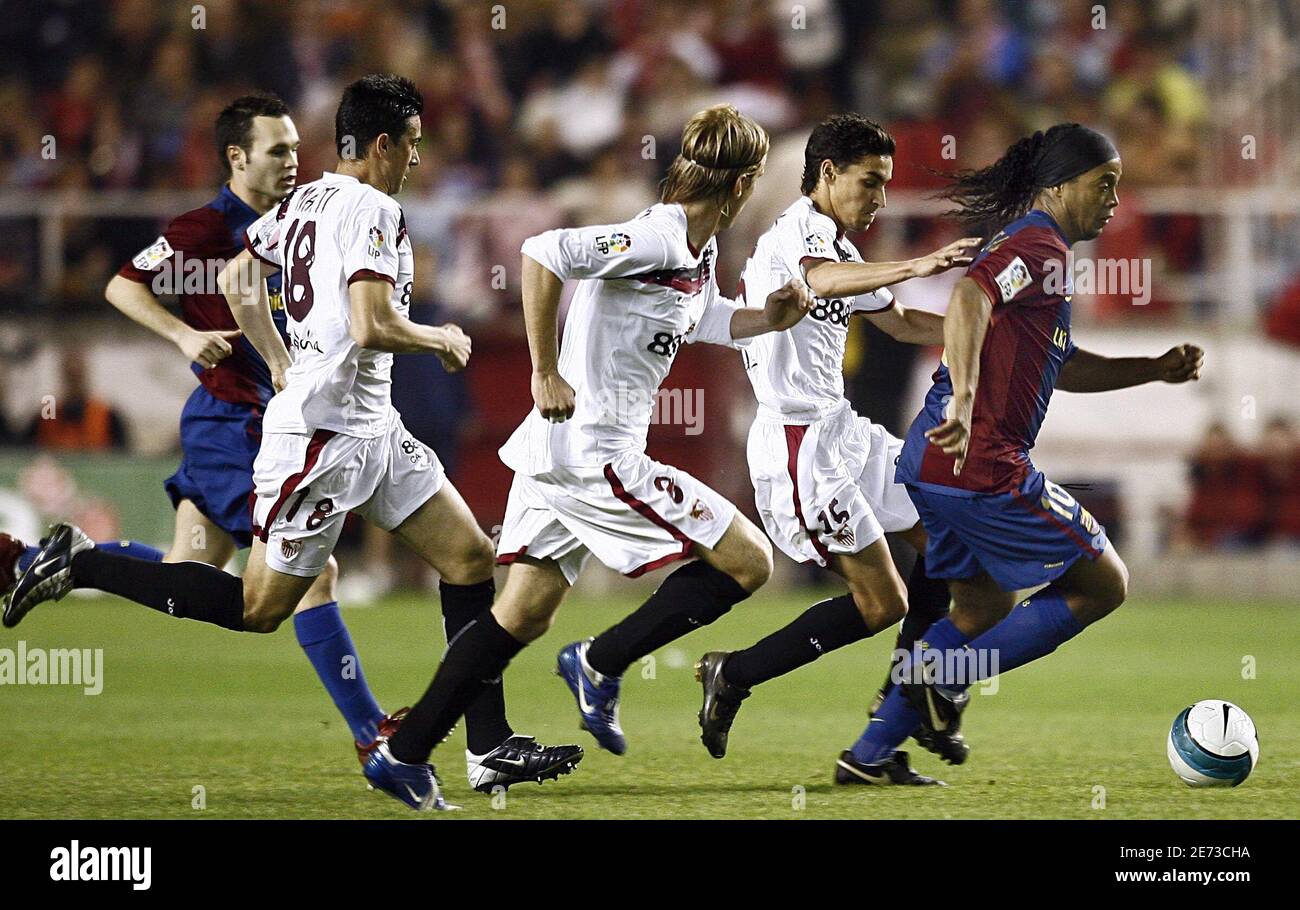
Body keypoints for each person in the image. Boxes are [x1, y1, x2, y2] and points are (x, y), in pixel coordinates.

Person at [6, 76, 581, 800]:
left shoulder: (304, 201)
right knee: (257, 607)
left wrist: (280, 358)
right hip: (321, 442)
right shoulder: (372, 208)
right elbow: (372, 324)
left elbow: (245, 273)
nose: (416, 159)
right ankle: (84, 564)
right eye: (411, 144)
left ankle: (488, 745)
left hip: (372, 426)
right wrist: (439, 337)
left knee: (469, 558)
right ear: (381, 144)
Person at [363, 104, 814, 810]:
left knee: (522, 614)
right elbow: (544, 253)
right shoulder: (660, 235)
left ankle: (404, 752)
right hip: (594, 453)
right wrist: (544, 369)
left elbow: (711, 319)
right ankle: (600, 662)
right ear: (746, 181)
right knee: (749, 562)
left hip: (559, 454)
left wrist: (770, 318)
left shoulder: (693, 252)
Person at [842, 123, 1204, 779]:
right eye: (1105, 185)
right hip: (981, 463)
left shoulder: (1038, 252)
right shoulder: (1038, 246)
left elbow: (1057, 363)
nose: (1115, 202)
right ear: (1060, 187)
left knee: (980, 608)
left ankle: (870, 754)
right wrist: (965, 396)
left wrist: (1151, 367)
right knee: (1104, 583)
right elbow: (968, 296)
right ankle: (940, 678)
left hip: (932, 462)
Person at [691, 113, 980, 781]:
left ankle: (896, 718)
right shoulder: (792, 238)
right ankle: (733, 673)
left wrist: (983, 334)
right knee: (884, 604)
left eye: (885, 183)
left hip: (844, 430)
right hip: (800, 443)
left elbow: (901, 321)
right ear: (827, 174)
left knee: (951, 547)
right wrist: (919, 262)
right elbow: (815, 282)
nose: (880, 198)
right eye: (870, 182)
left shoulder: (846, 252)